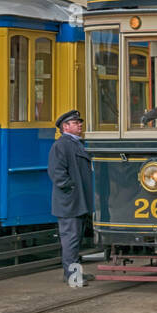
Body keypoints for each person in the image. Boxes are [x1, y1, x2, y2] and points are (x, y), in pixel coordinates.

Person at [48, 109, 96, 285]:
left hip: (76, 200)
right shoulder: (61, 145)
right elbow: (57, 173)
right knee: (71, 239)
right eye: (76, 123)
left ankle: (75, 272)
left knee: (76, 239)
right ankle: (72, 276)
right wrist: (72, 187)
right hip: (70, 201)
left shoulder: (76, 143)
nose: (80, 125)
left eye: (79, 122)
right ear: (65, 127)